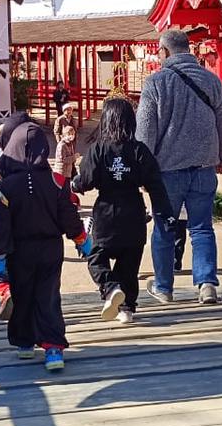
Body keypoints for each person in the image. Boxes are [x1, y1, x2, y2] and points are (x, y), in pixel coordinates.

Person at [136, 29, 222, 305]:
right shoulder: (211, 80)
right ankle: (206, 284)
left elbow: (145, 132)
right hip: (204, 166)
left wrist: (143, 168)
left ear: (164, 51)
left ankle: (164, 287)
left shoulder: (155, 83)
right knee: (202, 228)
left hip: (167, 171)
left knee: (164, 227)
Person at [0, 118, 88, 371]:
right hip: (50, 249)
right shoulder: (57, 181)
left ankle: (25, 344)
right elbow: (68, 215)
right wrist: (81, 239)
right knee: (48, 296)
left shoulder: (6, 186)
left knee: (23, 295)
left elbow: (2, 226)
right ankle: (53, 349)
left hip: (19, 251)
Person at [72, 98, 173, 324]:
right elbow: (155, 184)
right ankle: (127, 309)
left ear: (106, 120)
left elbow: (86, 181)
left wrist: (74, 184)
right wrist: (165, 214)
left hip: (106, 211)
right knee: (129, 262)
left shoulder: (98, 149)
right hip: (134, 211)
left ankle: (110, 288)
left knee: (96, 256)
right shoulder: (140, 150)